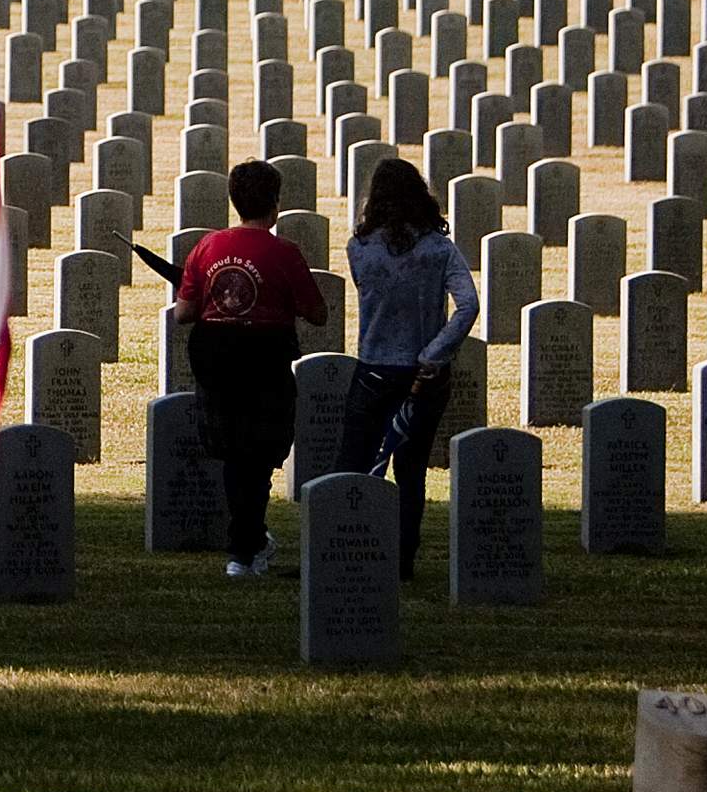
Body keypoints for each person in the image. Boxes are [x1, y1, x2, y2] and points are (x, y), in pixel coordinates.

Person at [173, 159, 324, 577]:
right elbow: (318, 313)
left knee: (235, 455)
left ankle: (247, 545)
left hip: (216, 359)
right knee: (256, 457)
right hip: (264, 360)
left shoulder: (207, 247)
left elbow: (183, 313)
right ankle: (245, 549)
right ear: (275, 204)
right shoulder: (285, 253)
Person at [338, 155, 480, 580]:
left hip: (374, 369)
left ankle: (344, 549)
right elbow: (468, 305)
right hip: (424, 375)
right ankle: (402, 560)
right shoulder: (439, 248)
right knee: (411, 470)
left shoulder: (359, 248)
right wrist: (435, 353)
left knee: (353, 464)